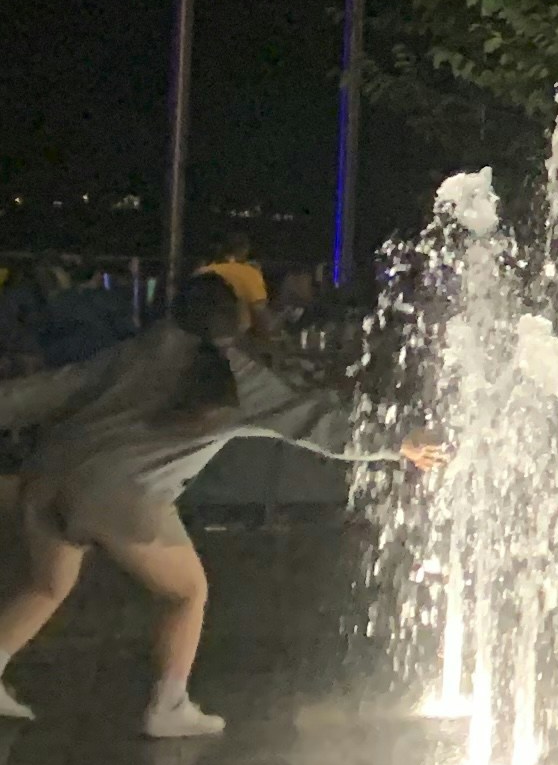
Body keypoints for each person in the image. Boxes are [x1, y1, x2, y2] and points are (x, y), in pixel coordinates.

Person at [0, 268, 420, 736]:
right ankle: (168, 705)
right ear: (236, 322)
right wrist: (400, 441)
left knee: (46, 586)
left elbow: (49, 389)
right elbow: (322, 425)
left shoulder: (137, 351)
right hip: (120, 498)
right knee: (187, 593)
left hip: (49, 476)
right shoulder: (238, 379)